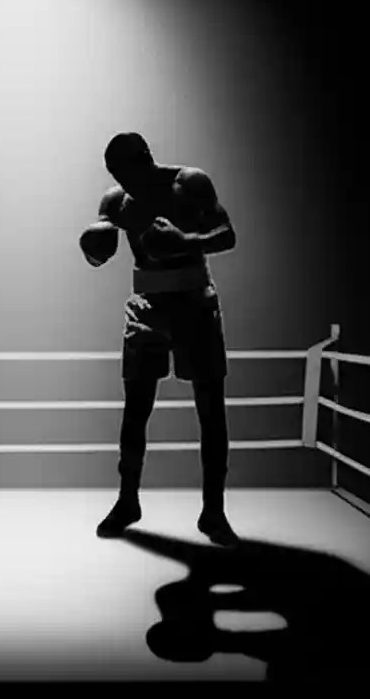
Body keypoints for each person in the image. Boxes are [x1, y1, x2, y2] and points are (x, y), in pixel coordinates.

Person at [78, 131, 239, 545]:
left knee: (210, 409)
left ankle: (214, 512)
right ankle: (127, 500)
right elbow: (99, 256)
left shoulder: (189, 183)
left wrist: (186, 241)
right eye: (116, 175)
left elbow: (226, 234)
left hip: (194, 300)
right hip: (146, 304)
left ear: (147, 159)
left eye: (128, 173)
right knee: (135, 409)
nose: (124, 183)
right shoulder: (115, 201)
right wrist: (94, 247)